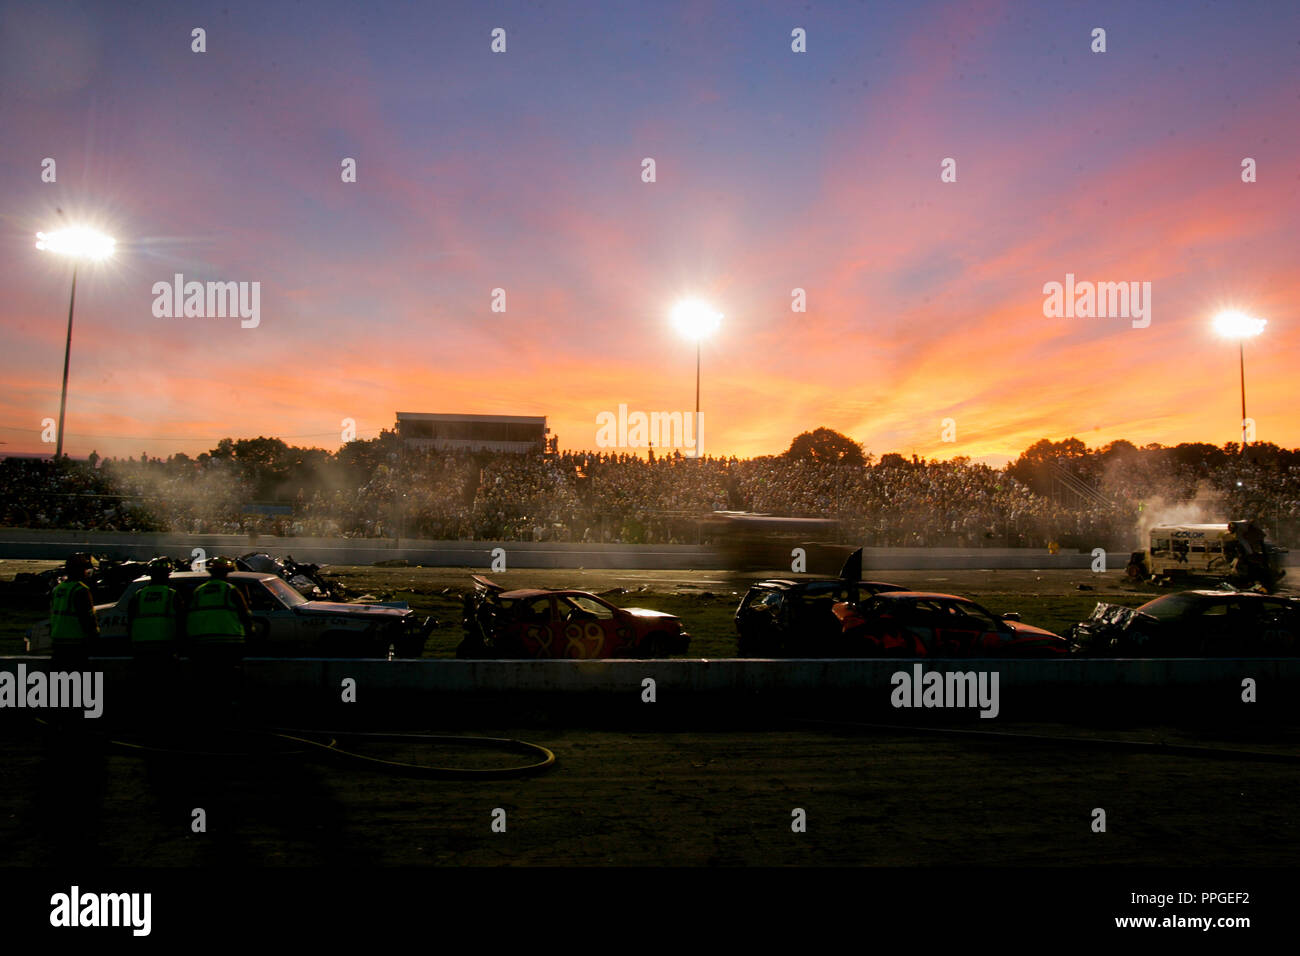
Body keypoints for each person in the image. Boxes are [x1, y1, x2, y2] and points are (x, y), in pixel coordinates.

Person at [185, 556, 252, 710]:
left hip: (203, 644)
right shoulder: (231, 590)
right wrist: (250, 634)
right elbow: (245, 615)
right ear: (226, 573)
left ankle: (208, 707)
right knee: (229, 677)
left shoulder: (199, 591)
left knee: (207, 679)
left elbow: (188, 616)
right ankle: (228, 706)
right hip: (229, 643)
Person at [127, 557, 182, 661]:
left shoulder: (138, 595)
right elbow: (181, 621)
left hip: (140, 647)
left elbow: (130, 622)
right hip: (165, 647)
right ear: (168, 574)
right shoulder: (172, 595)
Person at [49, 553, 98, 666]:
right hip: (75, 643)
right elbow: (87, 619)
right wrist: (95, 638)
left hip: (57, 641)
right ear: (80, 570)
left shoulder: (58, 589)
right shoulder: (81, 590)